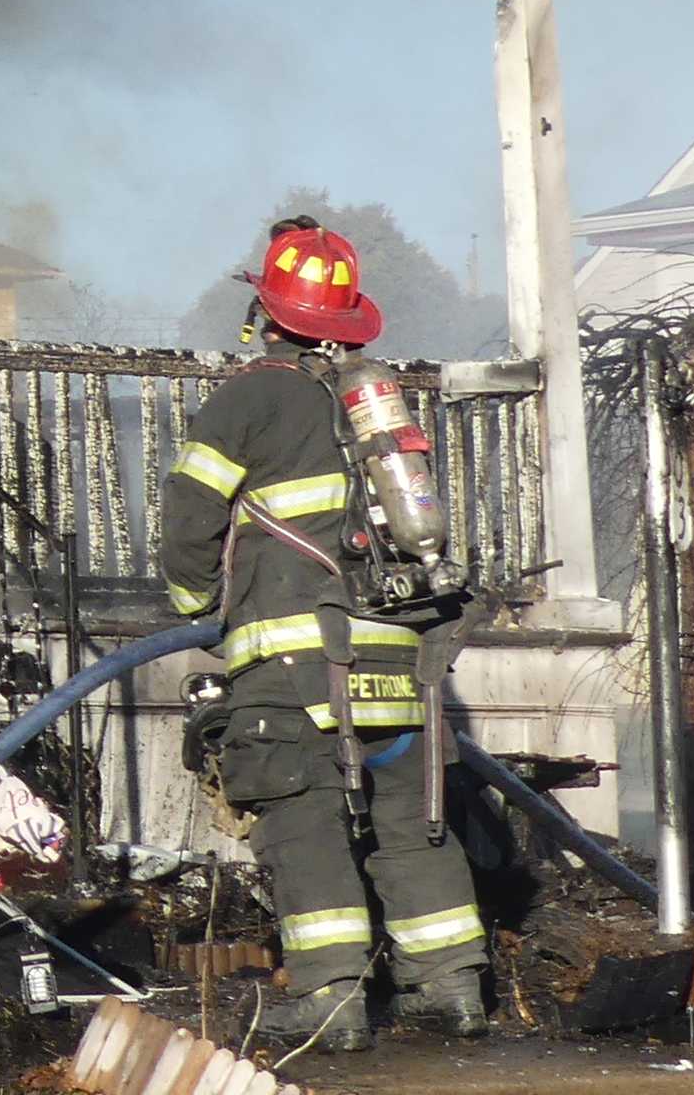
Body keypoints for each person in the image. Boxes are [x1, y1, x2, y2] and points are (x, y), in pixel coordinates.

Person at [156, 217, 491, 1053]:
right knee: (413, 823)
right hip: (396, 652)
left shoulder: (250, 396)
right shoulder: (368, 406)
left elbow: (189, 517)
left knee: (301, 818)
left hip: (294, 658)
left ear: (266, 314)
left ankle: (332, 1000)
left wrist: (196, 601)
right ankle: (450, 990)